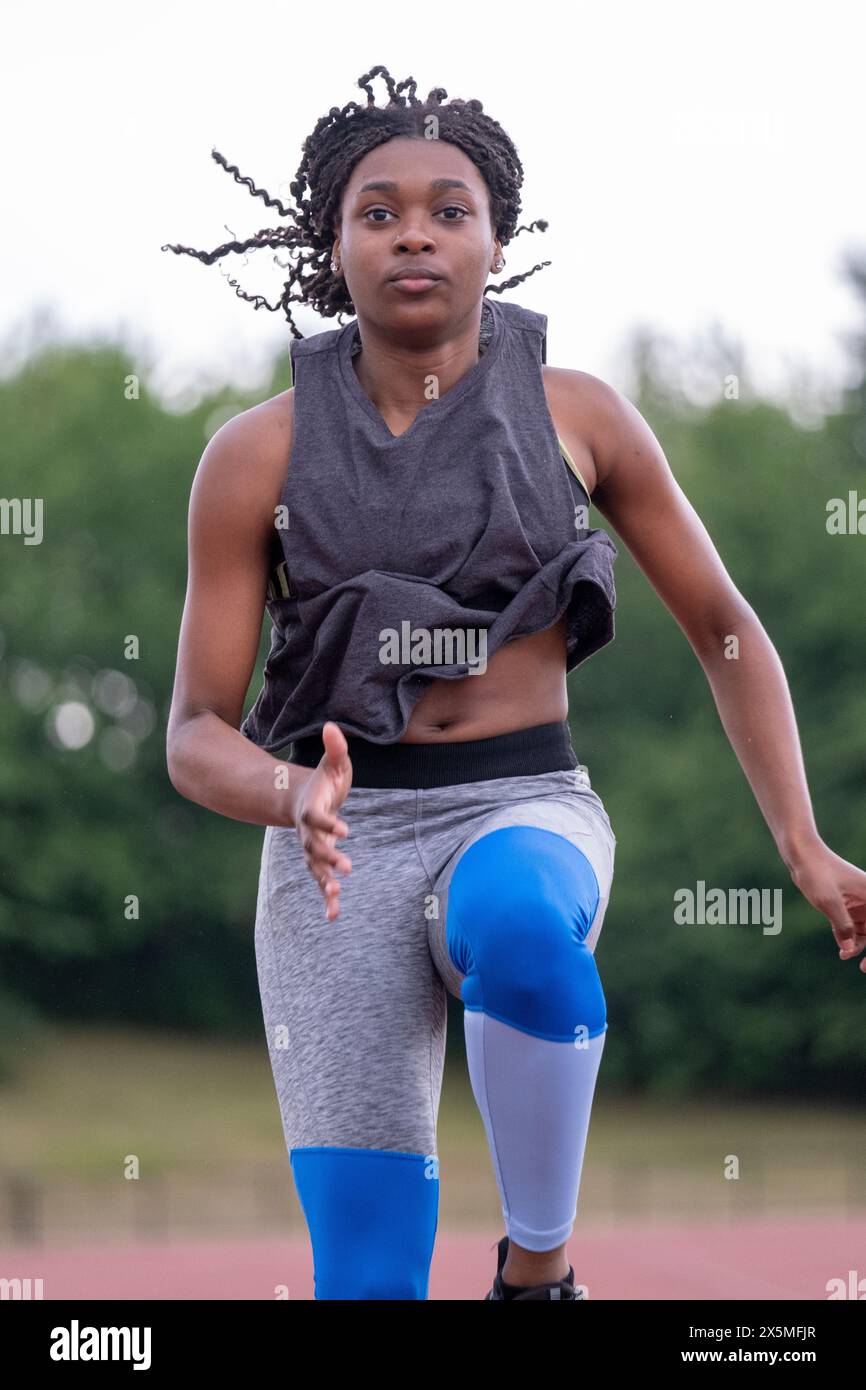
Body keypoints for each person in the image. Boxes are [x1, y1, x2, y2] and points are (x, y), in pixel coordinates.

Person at [164, 65, 866, 1301]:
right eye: (377, 212)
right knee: (367, 1282)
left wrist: (804, 848)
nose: (415, 232)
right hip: (335, 854)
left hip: (520, 804)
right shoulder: (253, 453)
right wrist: (291, 797)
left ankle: (535, 1273)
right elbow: (191, 733)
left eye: (449, 207)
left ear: (497, 236)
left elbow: (722, 628)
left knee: (526, 931)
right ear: (333, 243)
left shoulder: (578, 417)